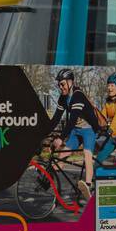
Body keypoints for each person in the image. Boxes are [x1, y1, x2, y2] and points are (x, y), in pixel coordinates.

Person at [47, 68, 103, 199]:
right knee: (62, 154)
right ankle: (48, 176)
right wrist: (44, 132)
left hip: (89, 129)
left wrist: (61, 138)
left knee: (87, 155)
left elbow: (71, 120)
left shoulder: (78, 95)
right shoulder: (63, 98)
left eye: (62, 84)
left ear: (70, 82)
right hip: (76, 130)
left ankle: (88, 185)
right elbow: (55, 119)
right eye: (59, 85)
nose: (61, 87)